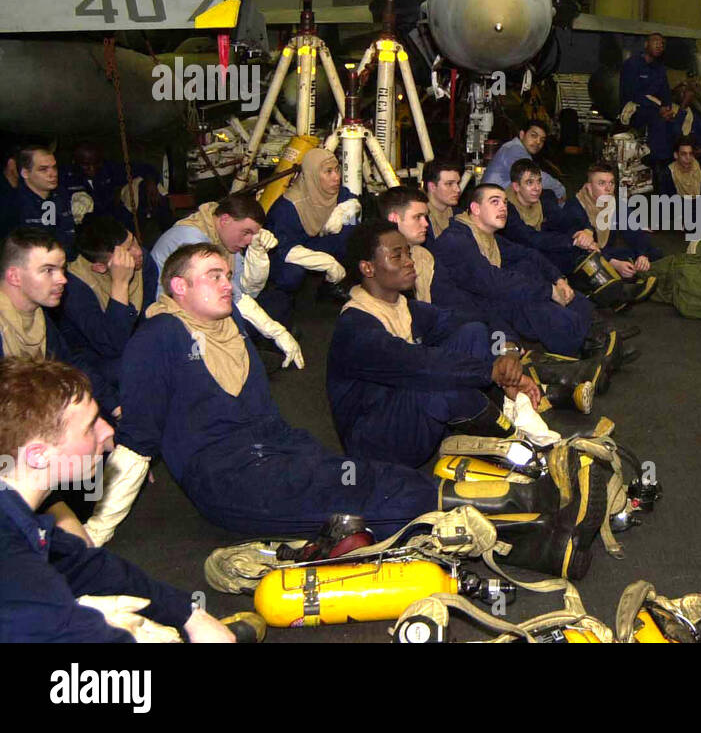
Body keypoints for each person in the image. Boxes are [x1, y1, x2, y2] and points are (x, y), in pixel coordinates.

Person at [86, 242, 448, 543]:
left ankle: (463, 502)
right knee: (386, 502)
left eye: (228, 275)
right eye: (214, 277)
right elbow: (135, 446)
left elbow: (266, 417)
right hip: (229, 480)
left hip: (279, 453)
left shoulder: (231, 326)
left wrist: (313, 457)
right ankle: (462, 513)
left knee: (383, 477)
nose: (228, 284)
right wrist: (94, 533)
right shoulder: (157, 338)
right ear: (180, 287)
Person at [0, 357, 235, 643]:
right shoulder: (14, 564)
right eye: (89, 427)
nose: (107, 431)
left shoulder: (19, 513)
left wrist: (189, 614)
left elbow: (87, 567)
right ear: (38, 455)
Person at [326, 222, 538, 468]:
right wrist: (491, 371)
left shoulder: (405, 307)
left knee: (473, 333)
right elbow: (417, 364)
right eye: (397, 256)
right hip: (375, 442)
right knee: (441, 386)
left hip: (404, 404)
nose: (409, 261)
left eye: (408, 252)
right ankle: (514, 443)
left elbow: (473, 318)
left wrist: (507, 351)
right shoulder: (354, 328)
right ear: (368, 268)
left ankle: (500, 410)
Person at [431, 184, 619, 362]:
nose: (503, 208)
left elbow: (529, 254)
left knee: (527, 270)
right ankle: (586, 343)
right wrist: (548, 290)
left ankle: (596, 330)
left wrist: (558, 279)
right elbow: (491, 281)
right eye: (494, 202)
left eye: (505, 202)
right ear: (475, 208)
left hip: (487, 303)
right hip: (465, 316)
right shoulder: (456, 239)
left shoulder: (487, 237)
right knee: (526, 293)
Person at [149, 192, 301, 370]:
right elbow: (235, 296)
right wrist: (277, 332)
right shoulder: (192, 239)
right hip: (176, 314)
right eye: (246, 233)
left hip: (205, 301)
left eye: (252, 235)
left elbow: (247, 289)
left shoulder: (223, 237)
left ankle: (249, 350)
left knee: (278, 300)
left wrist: (256, 252)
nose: (247, 240)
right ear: (225, 220)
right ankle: (241, 357)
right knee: (241, 316)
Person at [501, 159, 654, 309]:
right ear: (516, 186)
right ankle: (617, 292)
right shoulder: (506, 210)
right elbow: (530, 238)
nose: (536, 188)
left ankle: (615, 295)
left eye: (539, 182)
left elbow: (563, 221)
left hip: (548, 247)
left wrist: (585, 232)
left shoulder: (545, 197)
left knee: (581, 248)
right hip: (521, 258)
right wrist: (575, 241)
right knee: (574, 251)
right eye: (529, 183)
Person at [58, 216, 153, 415]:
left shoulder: (144, 261)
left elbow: (147, 317)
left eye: (133, 241)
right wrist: (120, 285)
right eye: (127, 253)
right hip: (92, 360)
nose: (137, 252)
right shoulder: (74, 286)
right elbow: (111, 345)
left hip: (133, 345)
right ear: (101, 267)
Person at [0, 228, 106, 408]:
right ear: (14, 276)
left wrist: (115, 406)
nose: (63, 279)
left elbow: (69, 366)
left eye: (62, 269)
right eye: (48, 270)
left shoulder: (38, 315)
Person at [262, 148, 360, 322]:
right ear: (312, 174)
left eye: (337, 169)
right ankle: (279, 313)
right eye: (328, 172)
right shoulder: (287, 208)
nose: (336, 177)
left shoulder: (334, 193)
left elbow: (352, 201)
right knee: (291, 275)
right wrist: (328, 263)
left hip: (310, 243)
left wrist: (343, 211)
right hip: (282, 254)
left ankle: (330, 286)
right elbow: (284, 250)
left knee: (352, 230)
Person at [553, 162, 663, 282]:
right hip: (579, 254)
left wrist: (642, 255)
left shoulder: (615, 204)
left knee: (652, 251)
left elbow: (635, 231)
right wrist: (613, 263)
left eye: (611, 183)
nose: (608, 188)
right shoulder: (575, 206)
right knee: (584, 259)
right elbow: (582, 246)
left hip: (605, 250)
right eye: (602, 183)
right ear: (589, 187)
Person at [624, 33, 691, 179]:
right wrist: (658, 109)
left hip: (658, 109)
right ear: (646, 44)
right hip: (636, 108)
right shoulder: (633, 64)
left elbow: (665, 93)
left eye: (662, 44)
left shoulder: (660, 69)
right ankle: (657, 162)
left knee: (678, 120)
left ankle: (673, 162)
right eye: (656, 42)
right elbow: (631, 93)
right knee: (659, 122)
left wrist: (667, 109)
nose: (659, 45)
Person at [482, 120, 566, 203]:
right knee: (547, 195)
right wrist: (559, 189)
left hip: (498, 198)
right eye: (534, 136)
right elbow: (533, 176)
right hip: (491, 202)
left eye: (542, 140)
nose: (538, 142)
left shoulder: (516, 148)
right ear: (522, 135)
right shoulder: (514, 150)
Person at [378, 185, 437, 302]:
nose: (425, 223)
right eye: (417, 217)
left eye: (425, 217)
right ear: (394, 219)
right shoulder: (378, 264)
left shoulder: (422, 256)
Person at [13, 146, 75, 251]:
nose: (53, 174)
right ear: (25, 173)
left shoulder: (62, 196)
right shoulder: (13, 203)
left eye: (54, 167)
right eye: (43, 169)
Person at [421, 159, 464, 239]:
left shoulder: (461, 215)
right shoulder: (420, 220)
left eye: (458, 183)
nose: (458, 189)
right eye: (449, 184)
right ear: (432, 187)